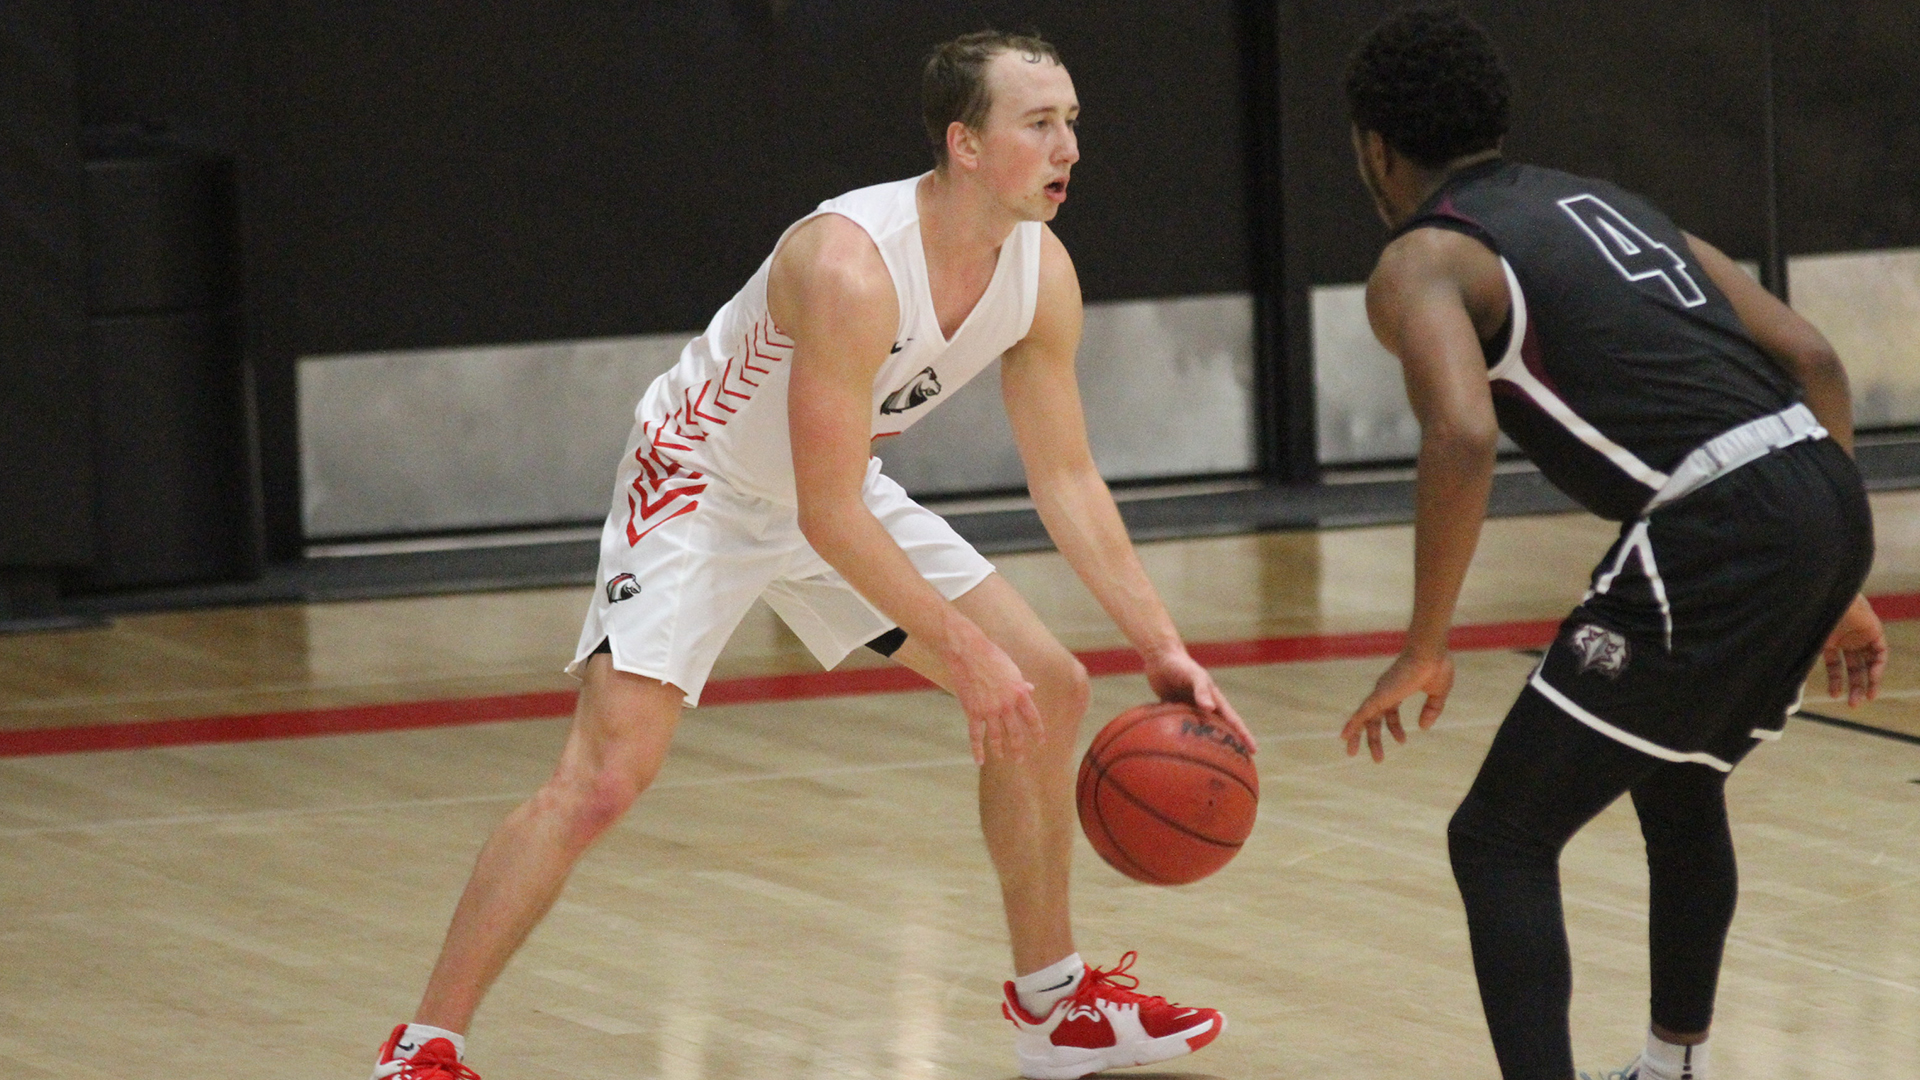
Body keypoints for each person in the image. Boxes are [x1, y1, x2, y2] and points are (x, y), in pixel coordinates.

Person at [367, 30, 1252, 1080]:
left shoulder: (1039, 271)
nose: (1069, 147)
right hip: (701, 485)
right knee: (606, 777)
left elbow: (1065, 479)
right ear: (965, 145)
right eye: (1040, 124)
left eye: (1072, 124)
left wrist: (1163, 647)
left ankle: (1052, 1007)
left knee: (1051, 691)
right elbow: (829, 514)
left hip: (826, 487)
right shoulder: (850, 264)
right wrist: (964, 655)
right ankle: (423, 1048)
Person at [1334, 8, 1888, 1080]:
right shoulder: (1609, 205)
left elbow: (1459, 431)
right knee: (1677, 780)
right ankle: (1670, 1068)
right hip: (1814, 485)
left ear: (1375, 147)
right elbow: (1812, 357)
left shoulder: (1423, 260)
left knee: (1497, 837)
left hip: (1717, 525)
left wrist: (1423, 644)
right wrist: (1834, 573)